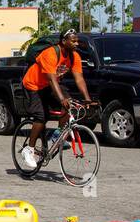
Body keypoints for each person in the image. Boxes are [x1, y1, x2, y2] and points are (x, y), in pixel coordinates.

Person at [18, 29, 94, 170]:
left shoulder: (74, 56)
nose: (76, 43)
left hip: (50, 85)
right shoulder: (50, 53)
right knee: (41, 116)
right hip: (33, 85)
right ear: (64, 42)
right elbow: (52, 79)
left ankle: (57, 136)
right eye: (73, 41)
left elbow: (79, 78)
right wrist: (61, 99)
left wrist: (87, 99)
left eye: (77, 40)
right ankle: (29, 149)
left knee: (69, 103)